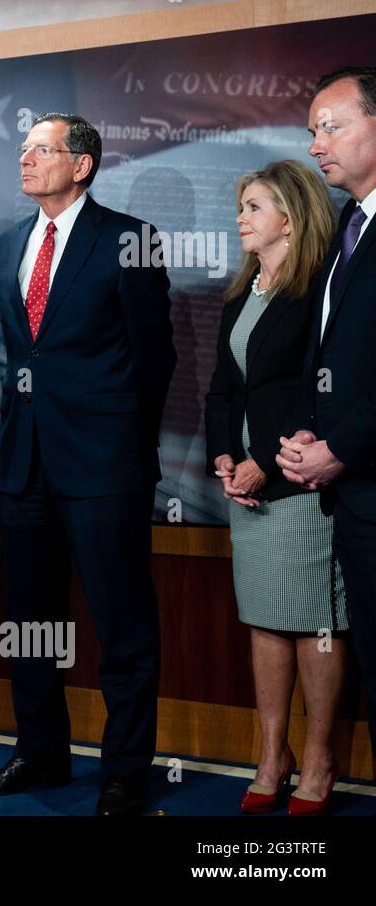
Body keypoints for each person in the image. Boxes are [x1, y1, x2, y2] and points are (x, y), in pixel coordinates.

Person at [0, 113, 176, 816]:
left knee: (122, 626)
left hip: (104, 468)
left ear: (82, 164)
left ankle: (124, 771)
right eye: (22, 149)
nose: (24, 160)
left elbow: (155, 358)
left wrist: (123, 445)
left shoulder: (129, 240)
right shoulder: (3, 246)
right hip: (24, 466)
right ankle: (41, 752)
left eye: (41, 149)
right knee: (30, 621)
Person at [207, 160, 344, 815]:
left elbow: (319, 390)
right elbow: (223, 389)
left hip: (298, 480)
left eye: (253, 206)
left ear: (287, 217)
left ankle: (318, 759)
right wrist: (225, 457)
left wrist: (265, 457)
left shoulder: (320, 287)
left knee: (312, 623)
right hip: (248, 488)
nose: (241, 217)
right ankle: (272, 755)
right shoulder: (243, 291)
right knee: (264, 617)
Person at [278, 66, 376, 812]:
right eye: (312, 129)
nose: (315, 144)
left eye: (331, 126)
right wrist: (315, 430)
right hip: (356, 503)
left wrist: (343, 444)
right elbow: (337, 352)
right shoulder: (348, 225)